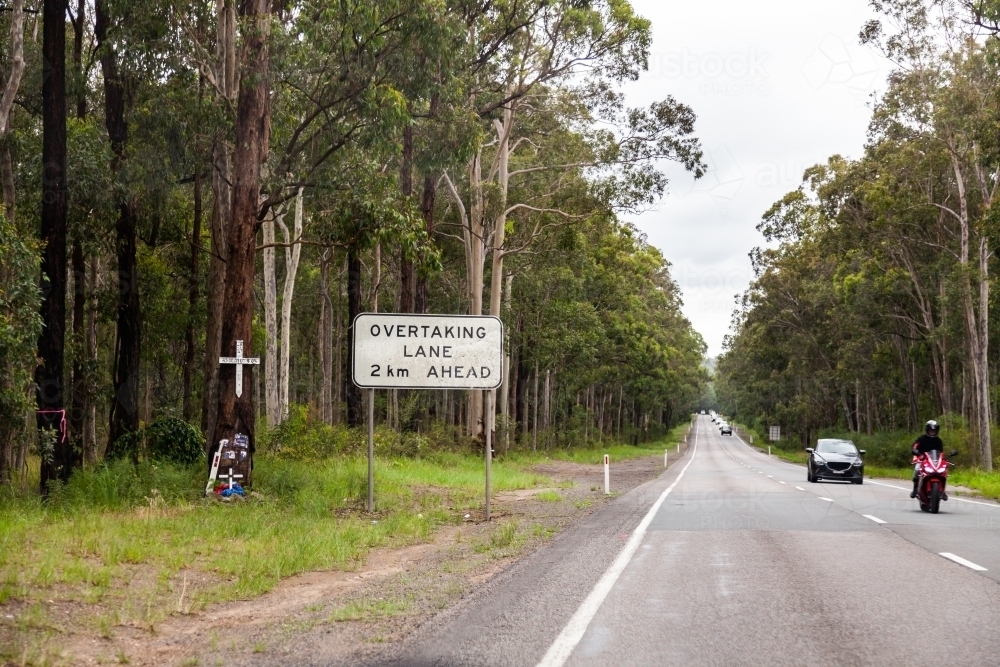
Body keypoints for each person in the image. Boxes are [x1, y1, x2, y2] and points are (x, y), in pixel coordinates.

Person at [910, 420, 945, 499]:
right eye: (931, 431)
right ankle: (915, 489)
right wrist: (915, 452)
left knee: (944, 471)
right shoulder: (921, 439)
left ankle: (943, 490)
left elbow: (941, 452)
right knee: (917, 470)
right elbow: (914, 446)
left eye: (934, 431)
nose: (932, 432)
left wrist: (943, 459)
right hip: (922, 459)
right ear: (927, 430)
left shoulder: (939, 441)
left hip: (934, 461)